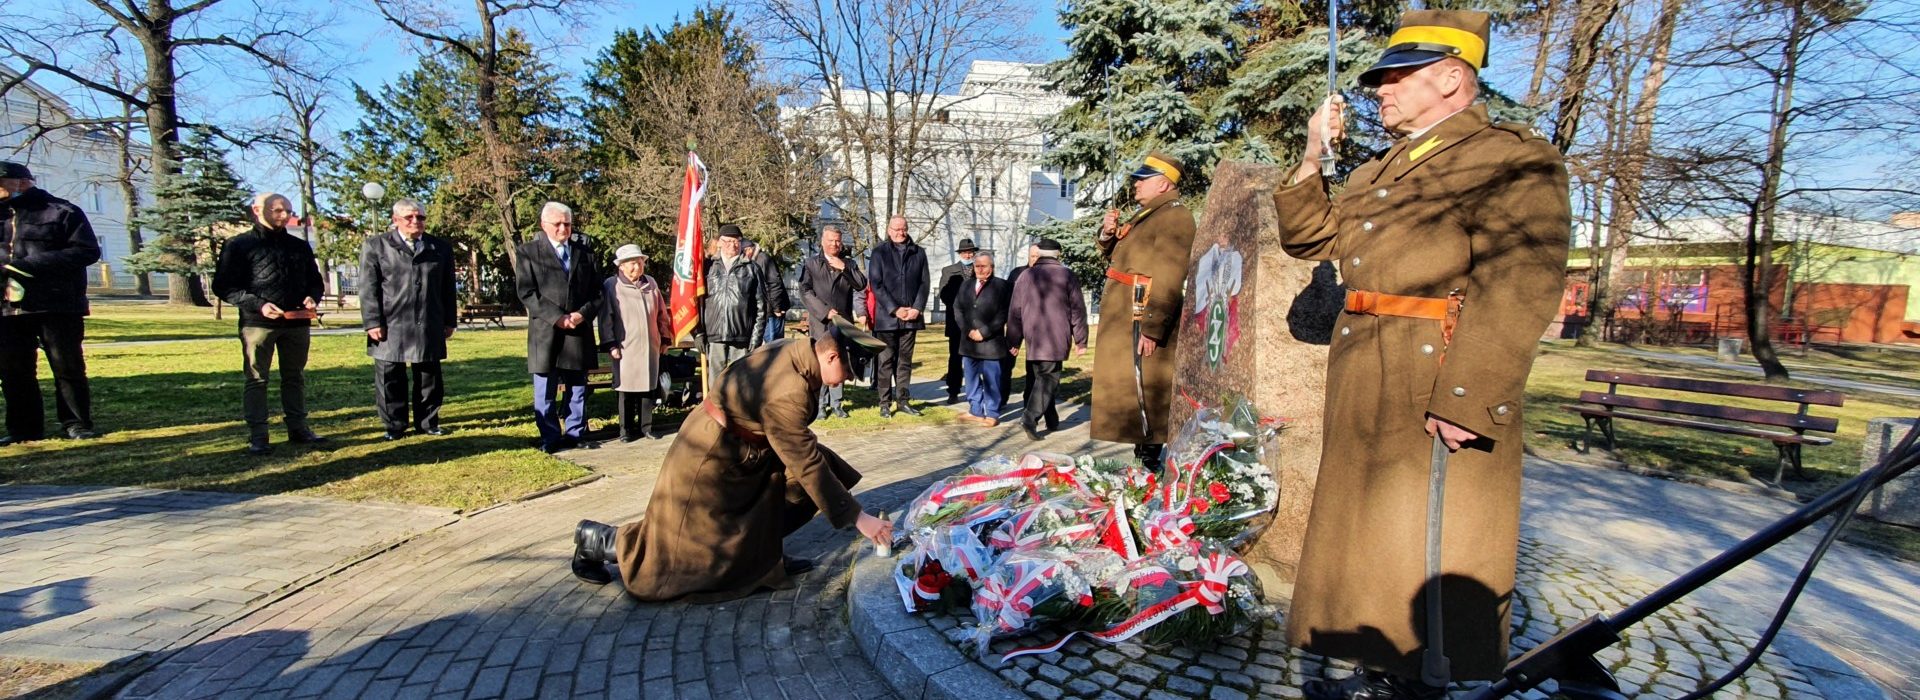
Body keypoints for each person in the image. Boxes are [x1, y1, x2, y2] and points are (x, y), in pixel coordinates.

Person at [1273, 10, 1573, 699]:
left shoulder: (1510, 157)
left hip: (1434, 364)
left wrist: (1468, 393)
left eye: (1394, 77)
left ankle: (1416, 680)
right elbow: (1313, 241)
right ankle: (1374, 658)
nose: (1379, 90)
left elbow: (1521, 280)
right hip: (1367, 359)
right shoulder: (1381, 168)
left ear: (1449, 77)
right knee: (1366, 525)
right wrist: (1315, 154)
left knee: (1422, 532)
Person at [568, 317, 894, 601]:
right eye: (847, 372)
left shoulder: (799, 351)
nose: (847, 380)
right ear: (832, 355)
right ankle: (595, 540)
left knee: (806, 483)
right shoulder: (789, 390)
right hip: (710, 459)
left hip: (747, 452)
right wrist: (858, 517)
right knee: (685, 557)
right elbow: (804, 461)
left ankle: (765, 559)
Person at [1093, 152, 1194, 469]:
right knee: (1134, 390)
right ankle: (1143, 461)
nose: (1136, 184)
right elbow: (1122, 257)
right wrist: (1107, 235)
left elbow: (1169, 275)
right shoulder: (1150, 214)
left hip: (1143, 315)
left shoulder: (1175, 217)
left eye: (1143, 179)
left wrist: (1153, 327)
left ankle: (1149, 465)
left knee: (1147, 391)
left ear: (1164, 184)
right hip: (1128, 313)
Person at [212, 192, 328, 455]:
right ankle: (258, 435)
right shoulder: (239, 245)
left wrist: (313, 296)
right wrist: (258, 304)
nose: (284, 215)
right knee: (256, 379)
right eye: (277, 210)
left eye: (287, 210)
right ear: (257, 210)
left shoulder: (299, 246)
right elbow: (224, 286)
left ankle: (298, 428)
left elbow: (315, 281)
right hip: (258, 324)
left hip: (296, 323)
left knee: (295, 377)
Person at [0, 161, 102, 446]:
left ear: (20, 182)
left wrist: (26, 266)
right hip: (7, 308)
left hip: (57, 304)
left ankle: (76, 423)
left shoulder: (61, 211)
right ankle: (23, 428)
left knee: (66, 366)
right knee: (13, 370)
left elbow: (86, 250)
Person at [359, 198, 457, 441]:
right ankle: (394, 425)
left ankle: (428, 423)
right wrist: (372, 322)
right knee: (390, 376)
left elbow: (448, 288)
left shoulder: (440, 248)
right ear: (395, 220)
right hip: (391, 322)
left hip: (428, 321)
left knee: (429, 376)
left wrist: (449, 320)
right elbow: (368, 288)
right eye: (409, 218)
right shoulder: (376, 246)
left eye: (421, 217)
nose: (416, 222)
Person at [514, 202, 602, 454]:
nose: (563, 228)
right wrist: (556, 317)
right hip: (546, 331)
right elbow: (526, 292)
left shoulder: (585, 253)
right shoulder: (528, 252)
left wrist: (581, 314)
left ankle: (576, 433)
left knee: (578, 388)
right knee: (546, 390)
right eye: (557, 224)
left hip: (577, 330)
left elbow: (597, 293)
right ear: (544, 225)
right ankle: (550, 437)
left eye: (567, 223)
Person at [1006, 238, 1086, 442]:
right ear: (1058, 254)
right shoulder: (1066, 275)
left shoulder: (1026, 275)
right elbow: (1077, 310)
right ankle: (1029, 417)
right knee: (1048, 378)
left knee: (1042, 377)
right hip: (1056, 335)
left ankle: (1051, 417)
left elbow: (1015, 310)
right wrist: (1081, 340)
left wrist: (1013, 340)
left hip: (1033, 336)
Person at [599, 245, 672, 442]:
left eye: (640, 262)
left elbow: (661, 314)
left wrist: (665, 338)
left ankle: (646, 427)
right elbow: (606, 318)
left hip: (650, 345)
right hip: (625, 347)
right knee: (626, 390)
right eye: (632, 263)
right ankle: (625, 430)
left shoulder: (651, 283)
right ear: (621, 266)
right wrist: (611, 344)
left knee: (648, 387)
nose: (637, 267)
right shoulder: (611, 285)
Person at [797, 225, 868, 418]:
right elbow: (805, 291)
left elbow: (861, 284)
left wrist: (844, 268)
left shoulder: (848, 264)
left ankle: (837, 404)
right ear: (822, 241)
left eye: (837, 240)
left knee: (840, 361)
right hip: (821, 321)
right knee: (821, 363)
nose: (834, 244)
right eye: (830, 240)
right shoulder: (811, 264)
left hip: (842, 322)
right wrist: (825, 311)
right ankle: (820, 405)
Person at [866, 215, 929, 418]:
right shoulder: (879, 253)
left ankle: (903, 400)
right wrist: (894, 309)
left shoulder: (919, 253)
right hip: (887, 318)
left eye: (903, 229)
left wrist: (917, 308)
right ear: (889, 230)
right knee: (885, 361)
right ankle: (884, 403)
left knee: (905, 362)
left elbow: (924, 283)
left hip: (911, 318)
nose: (900, 233)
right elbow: (876, 284)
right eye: (896, 229)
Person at [695, 225, 766, 390]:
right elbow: (696, 303)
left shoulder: (752, 268)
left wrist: (755, 339)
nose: (733, 245)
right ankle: (715, 415)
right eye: (728, 241)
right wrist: (698, 332)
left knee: (740, 385)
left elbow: (761, 308)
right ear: (719, 242)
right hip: (714, 336)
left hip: (741, 337)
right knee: (715, 386)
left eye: (737, 241)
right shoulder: (707, 268)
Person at [951, 252, 1012, 428]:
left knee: (992, 380)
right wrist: (967, 330)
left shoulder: (1002, 286)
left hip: (991, 343)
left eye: (983, 266)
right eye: (976, 266)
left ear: (991, 267)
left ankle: (992, 413)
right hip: (968, 342)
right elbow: (957, 309)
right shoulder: (966, 285)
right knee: (971, 379)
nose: (979, 269)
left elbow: (1003, 313)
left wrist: (984, 332)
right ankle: (975, 410)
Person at [935, 237, 978, 404]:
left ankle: (974, 391)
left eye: (970, 252)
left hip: (976, 321)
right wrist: (960, 307)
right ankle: (953, 390)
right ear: (960, 253)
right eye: (965, 252)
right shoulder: (949, 271)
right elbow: (944, 294)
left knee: (975, 357)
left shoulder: (979, 269)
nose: (968, 255)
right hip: (956, 321)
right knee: (955, 357)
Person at [742, 239, 790, 346]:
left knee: (773, 344)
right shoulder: (753, 261)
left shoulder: (763, 259)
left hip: (772, 310)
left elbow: (774, 283)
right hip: (765, 309)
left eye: (743, 251)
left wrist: (776, 307)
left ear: (750, 249)